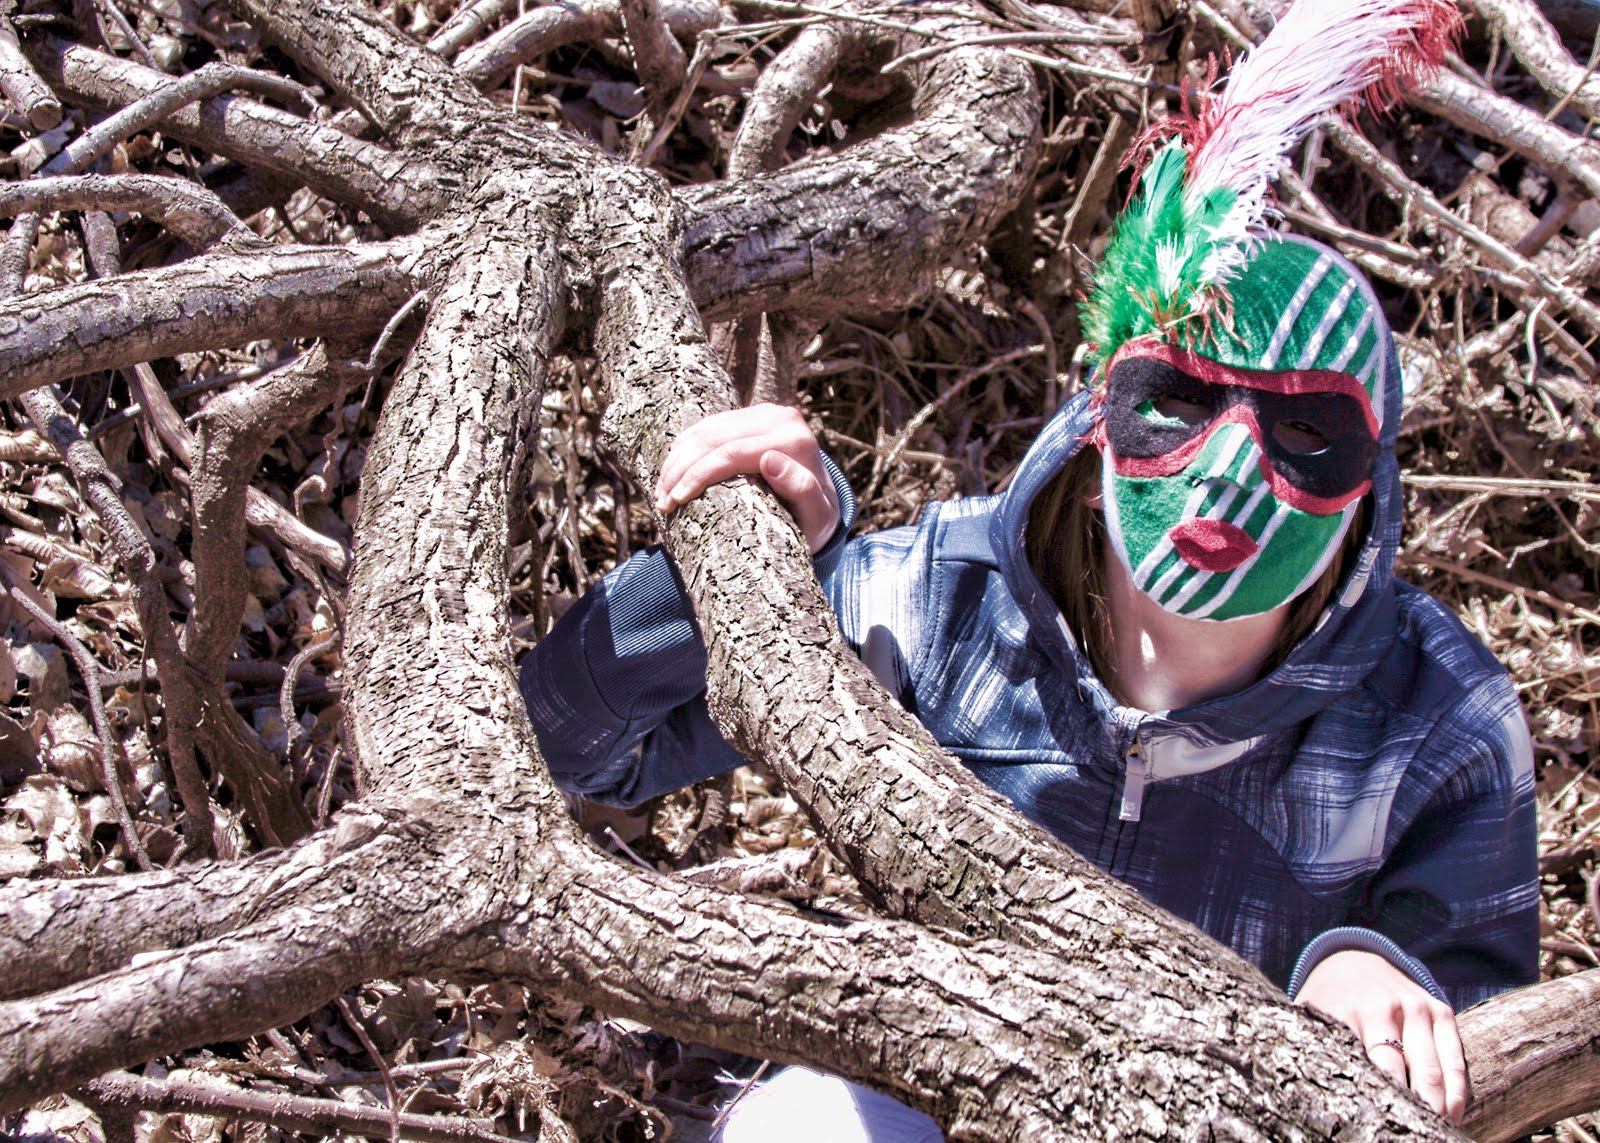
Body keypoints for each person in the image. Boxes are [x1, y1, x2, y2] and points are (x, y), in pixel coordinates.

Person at [520, 1, 1538, 1132]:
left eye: (1307, 436)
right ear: (1103, 417)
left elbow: (1483, 1026)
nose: (1223, 480)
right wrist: (731, 566)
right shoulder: (934, 609)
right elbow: (563, 748)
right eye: (1177, 404)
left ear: (1371, 485)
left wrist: (1378, 972)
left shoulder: (1436, 718)